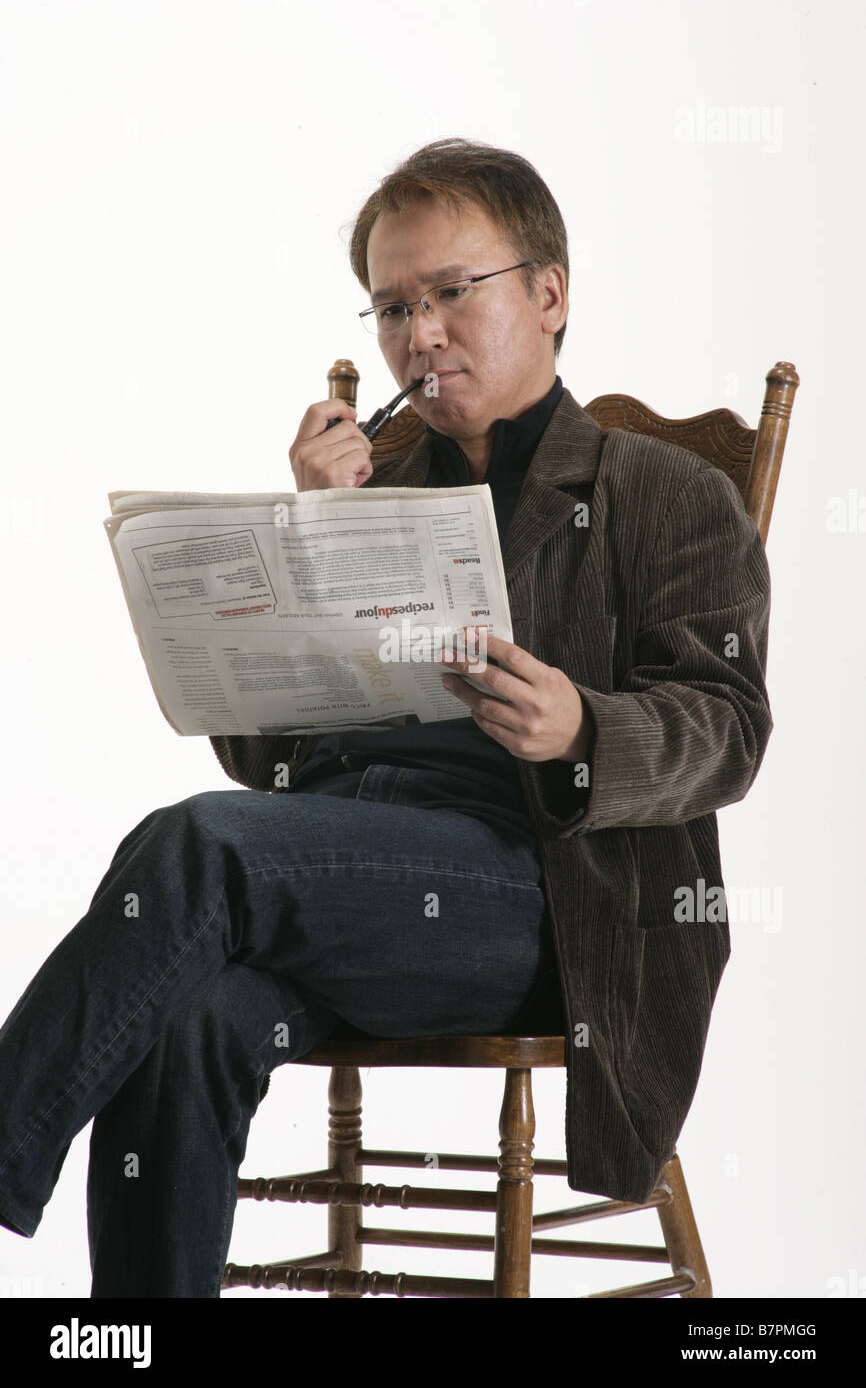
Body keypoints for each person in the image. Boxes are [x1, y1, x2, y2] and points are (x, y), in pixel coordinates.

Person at [0, 137, 773, 1298]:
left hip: (545, 897)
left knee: (201, 841)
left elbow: (728, 728)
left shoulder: (662, 494)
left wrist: (582, 728)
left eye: (450, 294)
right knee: (188, 1015)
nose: (420, 336)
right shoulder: (375, 485)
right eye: (392, 307)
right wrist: (302, 547)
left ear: (548, 292)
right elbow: (268, 761)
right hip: (339, 879)